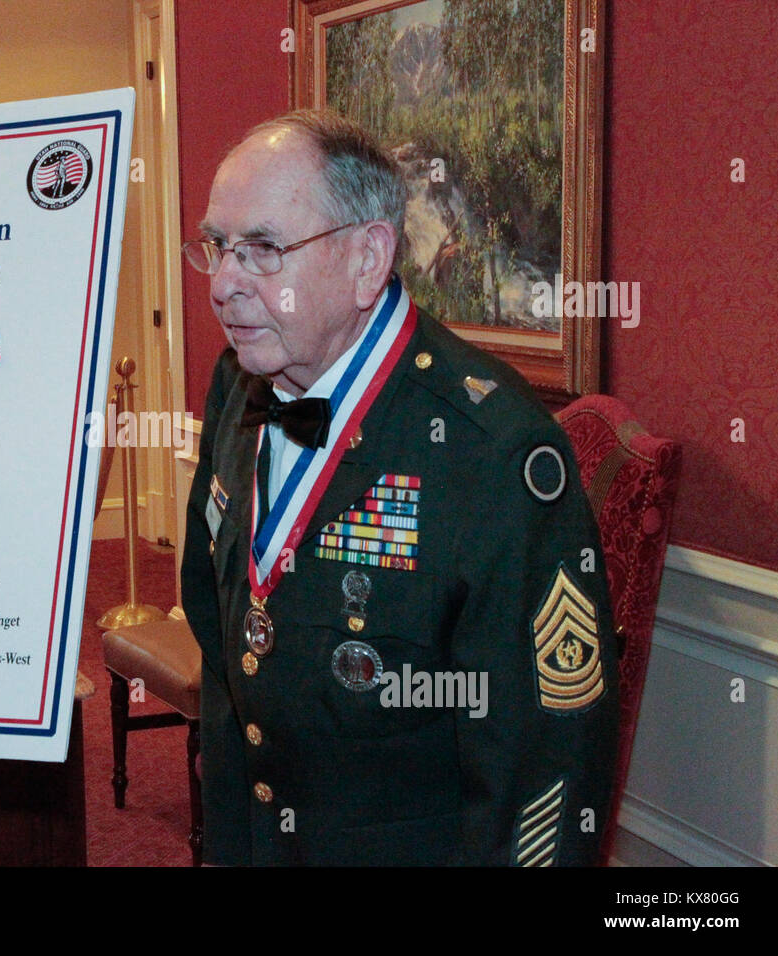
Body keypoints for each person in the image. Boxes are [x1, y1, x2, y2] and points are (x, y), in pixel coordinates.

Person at [180, 109, 619, 866]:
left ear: (367, 259)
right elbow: (223, 646)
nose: (223, 284)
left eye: (262, 250)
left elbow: (540, 767)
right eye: (217, 246)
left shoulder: (495, 454)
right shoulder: (238, 383)